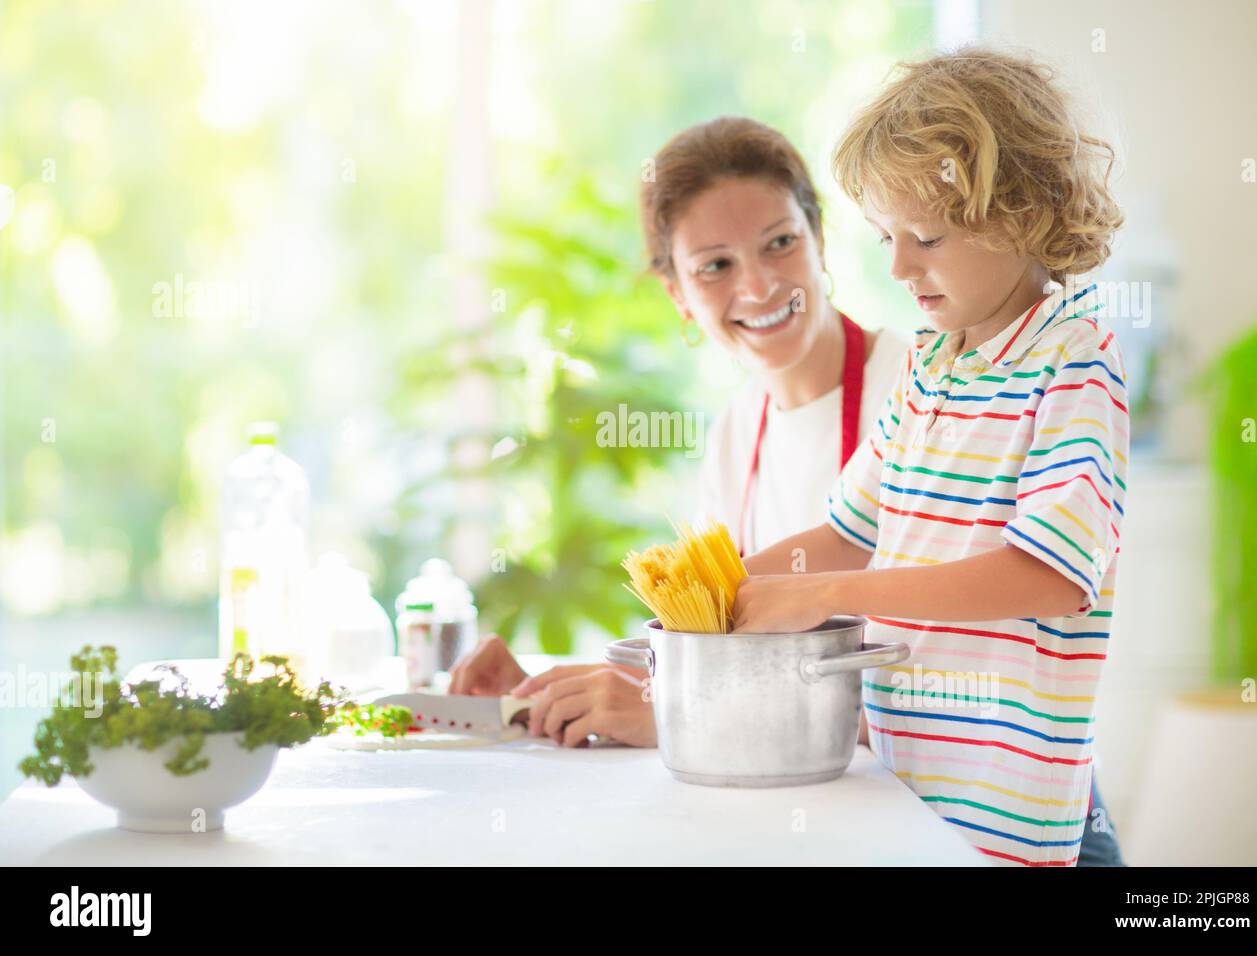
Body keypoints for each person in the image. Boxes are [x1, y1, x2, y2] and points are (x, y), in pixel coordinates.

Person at [731, 48, 1128, 866]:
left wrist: (828, 595)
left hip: (998, 819)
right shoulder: (930, 365)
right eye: (886, 236)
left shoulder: (1073, 362)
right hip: (899, 786)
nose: (899, 266)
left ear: (1023, 212)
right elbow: (848, 531)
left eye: (928, 237)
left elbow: (1047, 576)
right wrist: (723, 590)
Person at [449, 115, 907, 747]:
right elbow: (720, 651)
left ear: (819, 238)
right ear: (678, 295)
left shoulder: (918, 393)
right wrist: (543, 696)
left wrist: (678, 712)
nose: (759, 285)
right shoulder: (734, 434)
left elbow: (934, 687)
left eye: (779, 243)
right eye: (715, 265)